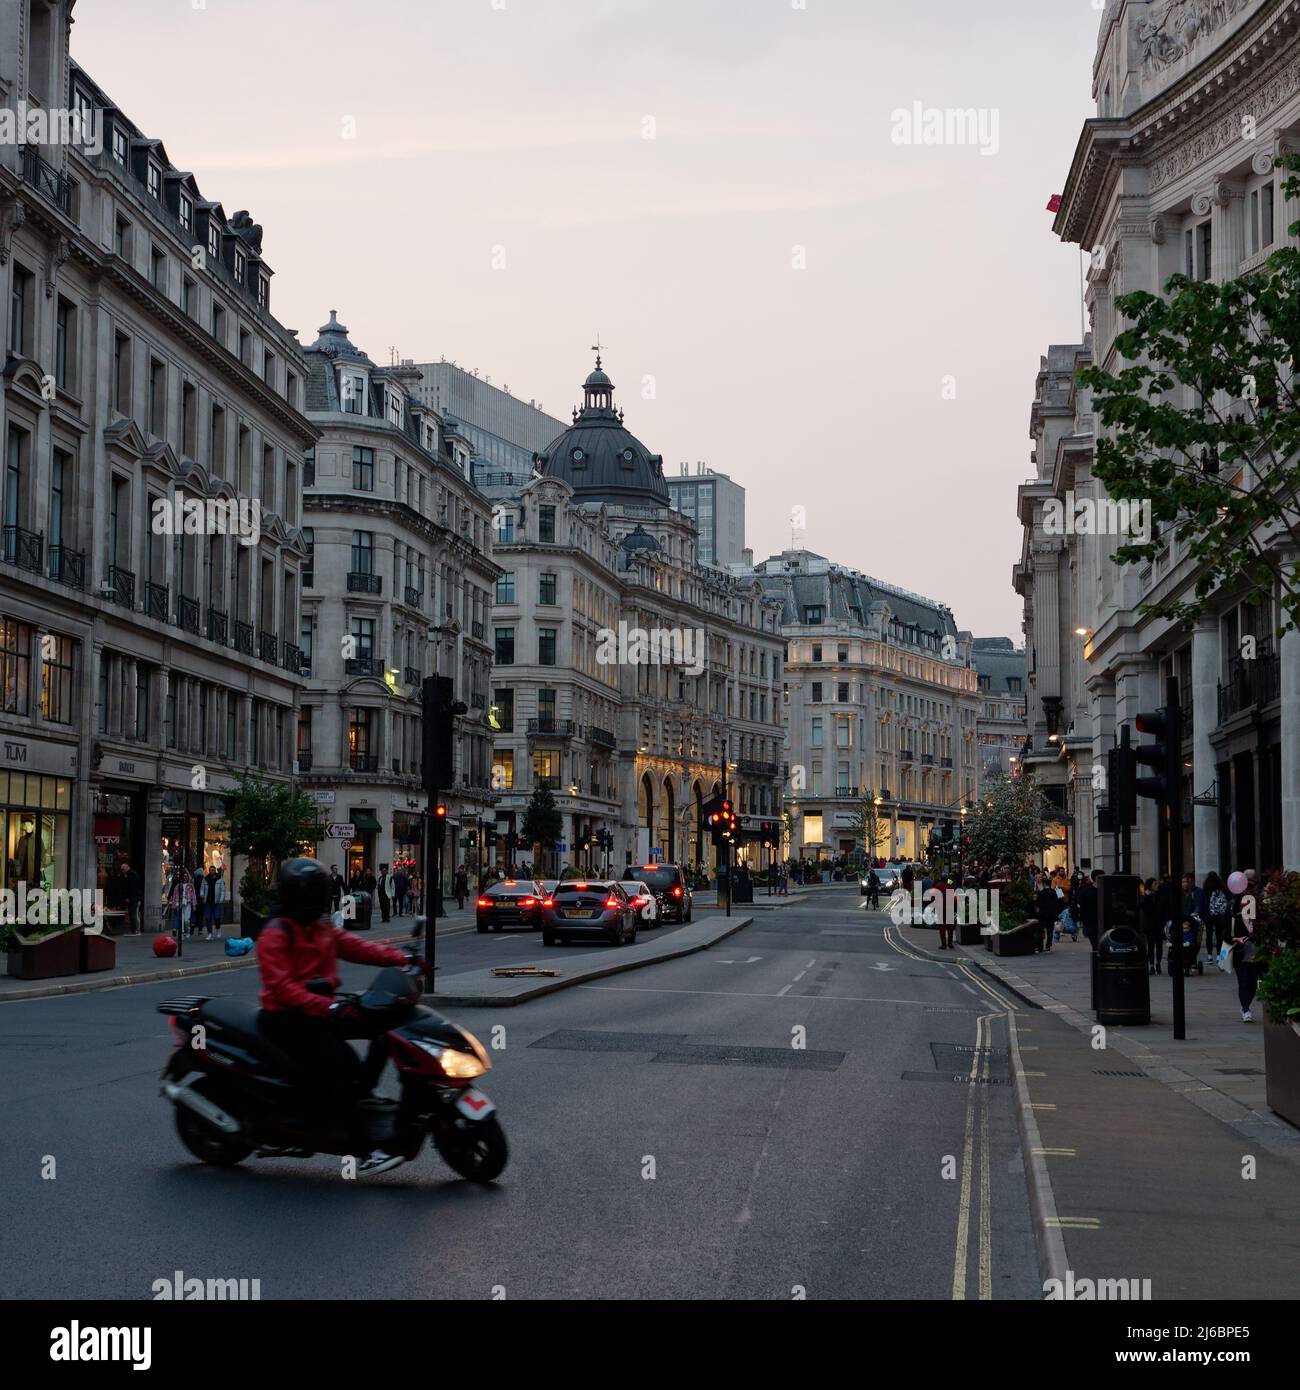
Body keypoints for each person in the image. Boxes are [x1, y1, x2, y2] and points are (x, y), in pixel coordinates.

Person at [257, 859, 418, 1175]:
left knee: (385, 1027)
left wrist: (403, 958)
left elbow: (357, 947)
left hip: (320, 1010)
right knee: (340, 1071)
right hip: (286, 1018)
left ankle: (365, 1094)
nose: (318, 901)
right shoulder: (276, 935)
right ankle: (365, 1150)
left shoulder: (319, 928)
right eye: (314, 894)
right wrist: (326, 1007)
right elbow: (282, 988)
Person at [1230, 881, 1261, 1022]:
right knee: (1243, 981)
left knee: (1253, 984)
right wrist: (1236, 939)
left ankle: (1245, 1006)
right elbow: (1225, 936)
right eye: (1244, 903)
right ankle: (1246, 1010)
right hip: (1239, 953)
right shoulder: (1234, 918)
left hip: (1255, 954)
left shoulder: (1257, 920)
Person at [1203, 871, 1230, 961]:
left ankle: (1210, 955)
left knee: (1209, 935)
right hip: (1220, 915)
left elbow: (1205, 902)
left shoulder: (1206, 888)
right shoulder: (1222, 887)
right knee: (1219, 935)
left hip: (1210, 915)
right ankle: (1219, 954)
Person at [1034, 873, 1059, 953]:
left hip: (1043, 914)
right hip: (1051, 914)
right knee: (1050, 930)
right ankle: (1048, 945)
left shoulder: (1041, 893)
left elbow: (1037, 903)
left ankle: (1039, 946)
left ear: (1044, 884)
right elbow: (1057, 902)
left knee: (1040, 930)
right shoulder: (1054, 892)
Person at [119, 861, 142, 935]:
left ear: (126, 867)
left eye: (123, 869)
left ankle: (133, 930)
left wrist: (128, 897)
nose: (122, 871)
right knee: (134, 913)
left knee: (133, 913)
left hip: (133, 897)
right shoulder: (132, 874)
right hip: (135, 896)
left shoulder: (130, 875)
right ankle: (135, 929)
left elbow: (131, 887)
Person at [205, 864, 225, 940]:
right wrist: (202, 894)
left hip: (216, 902)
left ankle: (218, 929)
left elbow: (222, 890)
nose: (211, 871)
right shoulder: (206, 879)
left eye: (213, 870)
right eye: (210, 870)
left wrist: (220, 899)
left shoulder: (220, 879)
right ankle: (210, 933)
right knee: (208, 918)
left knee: (217, 917)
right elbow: (202, 888)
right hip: (208, 901)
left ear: (215, 871)